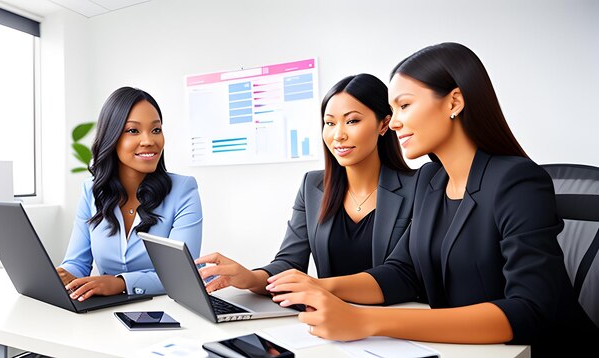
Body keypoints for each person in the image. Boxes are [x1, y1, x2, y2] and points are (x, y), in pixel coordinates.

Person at [268, 43, 598, 354]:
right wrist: (321, 287)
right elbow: (403, 272)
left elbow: (528, 310)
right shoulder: (430, 180)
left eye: (404, 105)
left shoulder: (517, 180)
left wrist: (365, 320)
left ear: (454, 102)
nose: (394, 122)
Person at [196, 74, 423, 295]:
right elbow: (289, 262)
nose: (338, 135)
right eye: (330, 123)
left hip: (392, 319)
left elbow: (403, 275)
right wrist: (249, 278)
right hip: (326, 320)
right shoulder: (313, 186)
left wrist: (320, 287)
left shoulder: (418, 187)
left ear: (384, 124)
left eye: (352, 121)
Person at [57, 87, 203, 301]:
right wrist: (64, 275)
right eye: (133, 131)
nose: (149, 141)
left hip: (168, 312)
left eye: (156, 130)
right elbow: (77, 263)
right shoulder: (92, 190)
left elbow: (182, 276)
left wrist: (121, 283)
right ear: (112, 136)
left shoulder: (183, 190)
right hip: (107, 313)